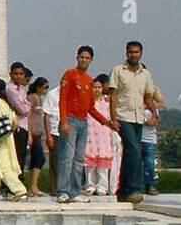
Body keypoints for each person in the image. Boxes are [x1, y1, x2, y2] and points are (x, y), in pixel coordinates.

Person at [57, 46, 116, 204]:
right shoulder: (69, 75)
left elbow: (90, 108)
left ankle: (75, 192)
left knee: (79, 159)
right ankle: (63, 191)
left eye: (87, 57)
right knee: (67, 158)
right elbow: (62, 99)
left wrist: (107, 122)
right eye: (82, 57)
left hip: (83, 122)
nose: (84, 60)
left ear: (91, 60)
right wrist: (63, 121)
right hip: (70, 120)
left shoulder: (89, 80)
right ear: (77, 58)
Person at [108, 41, 158, 204]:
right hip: (123, 116)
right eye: (130, 52)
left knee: (131, 154)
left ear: (141, 53)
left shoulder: (146, 74)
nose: (133, 55)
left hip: (139, 117)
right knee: (134, 151)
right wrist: (113, 118)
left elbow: (148, 96)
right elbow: (113, 96)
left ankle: (122, 190)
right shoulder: (118, 71)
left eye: (136, 52)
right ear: (126, 53)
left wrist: (154, 112)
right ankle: (133, 189)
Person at [85, 76, 114, 196]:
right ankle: (90, 185)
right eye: (94, 87)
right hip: (90, 135)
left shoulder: (107, 103)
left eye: (99, 87)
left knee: (103, 163)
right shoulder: (87, 102)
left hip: (104, 136)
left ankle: (102, 187)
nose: (96, 90)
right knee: (90, 164)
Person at [25, 77, 50, 196]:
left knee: (36, 159)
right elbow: (28, 116)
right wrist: (29, 133)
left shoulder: (40, 99)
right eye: (45, 87)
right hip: (33, 133)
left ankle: (33, 186)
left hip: (39, 133)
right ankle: (33, 186)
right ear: (38, 87)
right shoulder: (32, 98)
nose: (46, 90)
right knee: (40, 158)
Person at [5, 62, 31, 173]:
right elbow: (23, 109)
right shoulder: (10, 89)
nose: (19, 76)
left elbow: (26, 106)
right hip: (16, 126)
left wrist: (27, 105)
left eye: (21, 74)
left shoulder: (21, 88)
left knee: (21, 157)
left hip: (24, 126)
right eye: (16, 73)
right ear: (10, 74)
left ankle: (18, 182)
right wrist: (28, 105)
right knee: (15, 157)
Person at [142, 88, 163, 196]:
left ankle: (151, 185)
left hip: (150, 139)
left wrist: (146, 121)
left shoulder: (152, 108)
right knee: (136, 164)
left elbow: (155, 120)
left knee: (150, 164)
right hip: (138, 138)